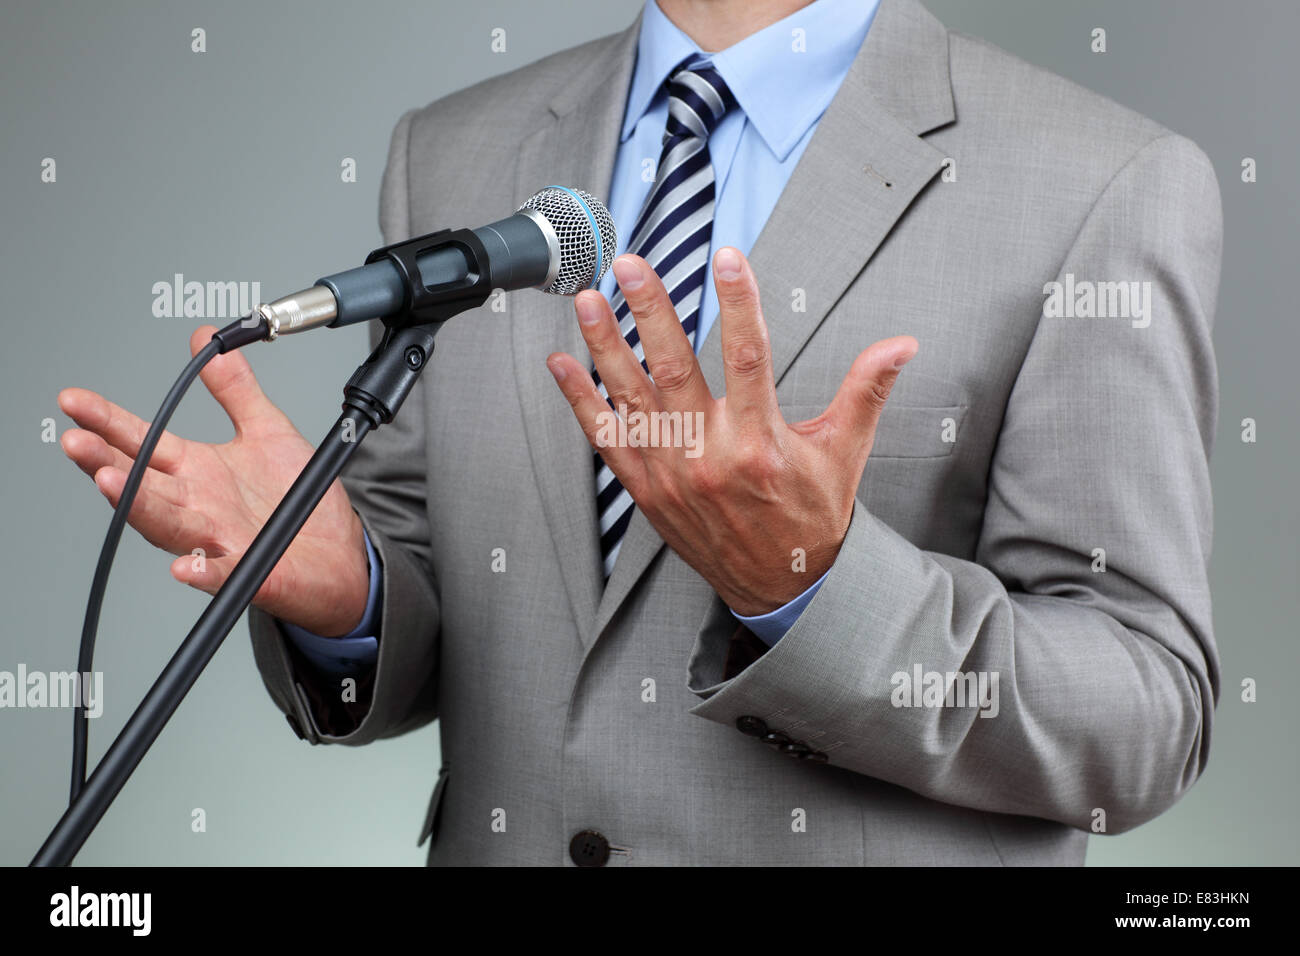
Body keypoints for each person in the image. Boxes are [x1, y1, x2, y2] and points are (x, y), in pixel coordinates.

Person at [58, 0, 1223, 866]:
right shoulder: (451, 151)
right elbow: (444, 606)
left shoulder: (1103, 180)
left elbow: (1142, 713)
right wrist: (347, 587)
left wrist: (813, 589)